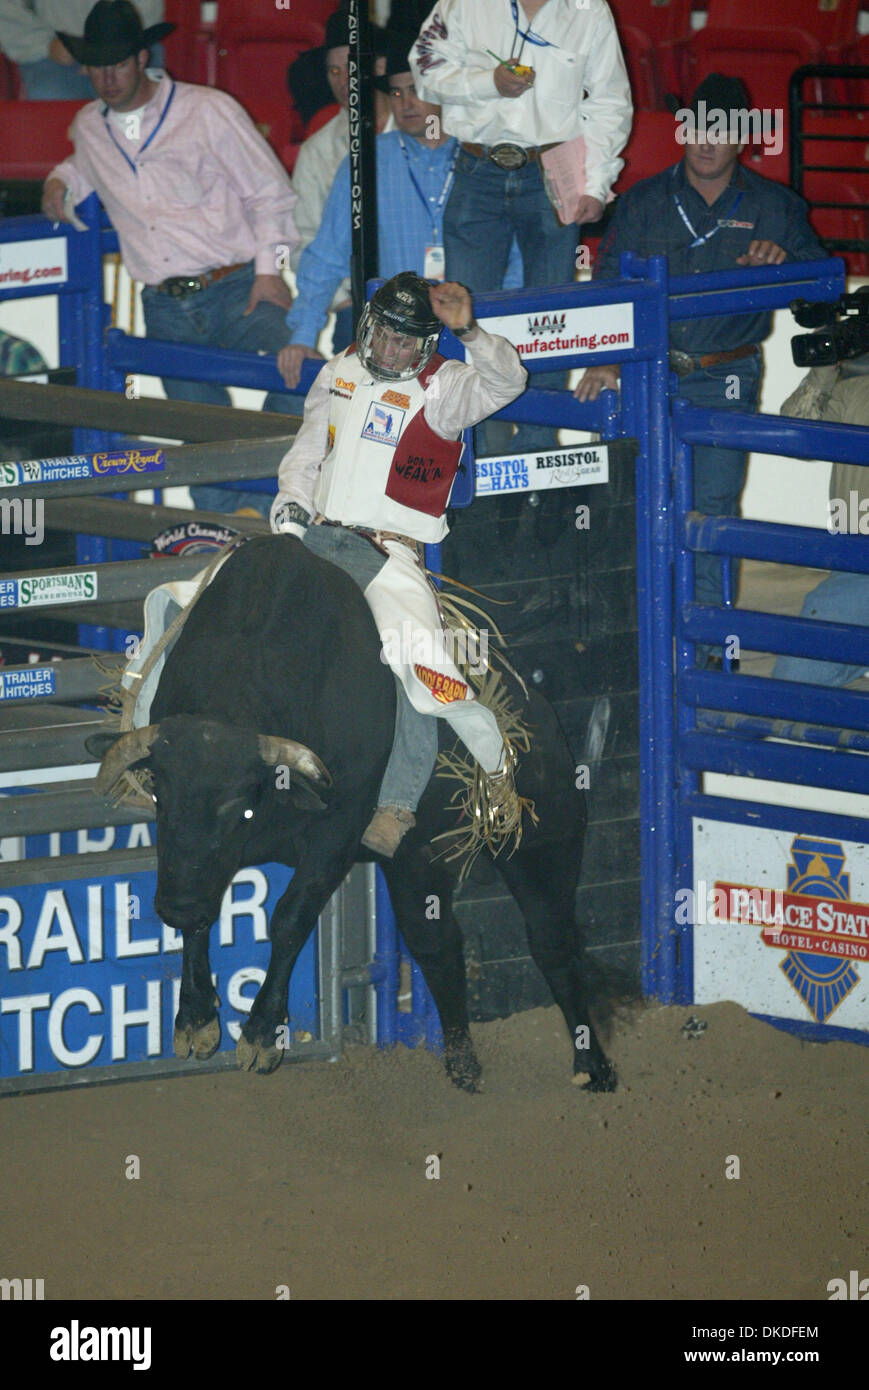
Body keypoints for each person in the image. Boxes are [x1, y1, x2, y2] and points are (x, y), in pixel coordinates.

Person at [271, 273, 528, 857]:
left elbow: (508, 380)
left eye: (407, 340)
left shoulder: (447, 389)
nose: (392, 349)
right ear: (369, 327)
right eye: (385, 334)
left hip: (388, 554)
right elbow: (308, 453)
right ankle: (144, 724)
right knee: (214, 592)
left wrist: (471, 330)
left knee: (419, 664)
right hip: (315, 537)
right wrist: (289, 517)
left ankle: (420, 796)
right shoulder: (339, 370)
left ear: (429, 342)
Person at [574, 73, 825, 647]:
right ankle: (642, 648)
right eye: (697, 126)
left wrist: (783, 263)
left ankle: (710, 655)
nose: (707, 139)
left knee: (710, 515)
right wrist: (608, 360)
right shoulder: (640, 204)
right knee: (638, 506)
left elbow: (823, 288)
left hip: (727, 373)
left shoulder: (776, 208)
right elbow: (606, 287)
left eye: (722, 129)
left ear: (744, 139)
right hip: (647, 373)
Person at [40, 0, 299, 519]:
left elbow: (272, 194)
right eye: (97, 65)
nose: (107, 76)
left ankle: (275, 504)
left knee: (297, 385)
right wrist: (60, 179)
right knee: (193, 427)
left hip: (238, 284)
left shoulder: (207, 110)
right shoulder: (90, 125)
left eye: (117, 63)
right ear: (85, 68)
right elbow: (86, 161)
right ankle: (225, 527)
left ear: (141, 58)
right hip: (163, 305)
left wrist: (270, 273)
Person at [410, 0, 631, 468]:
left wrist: (596, 182)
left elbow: (611, 99)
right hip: (476, 165)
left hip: (553, 167)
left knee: (550, 322)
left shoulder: (588, 8)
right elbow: (424, 63)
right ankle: (480, 463)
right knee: (467, 321)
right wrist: (486, 82)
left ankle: (538, 460)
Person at [289, 9, 391, 363]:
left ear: (378, 67)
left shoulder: (416, 131)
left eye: (349, 68)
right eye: (334, 71)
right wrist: (343, 298)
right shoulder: (318, 151)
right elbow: (304, 242)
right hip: (356, 303)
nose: (343, 80)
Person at [773, 361, 869, 688]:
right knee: (794, 686)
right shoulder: (857, 384)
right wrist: (824, 368)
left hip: (856, 570)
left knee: (792, 693)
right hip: (853, 562)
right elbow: (795, 434)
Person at [0, 0, 166, 99]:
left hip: (127, 44)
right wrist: (44, 44)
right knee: (55, 114)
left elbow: (146, 8)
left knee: (147, 118)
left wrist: (105, 53)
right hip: (53, 51)